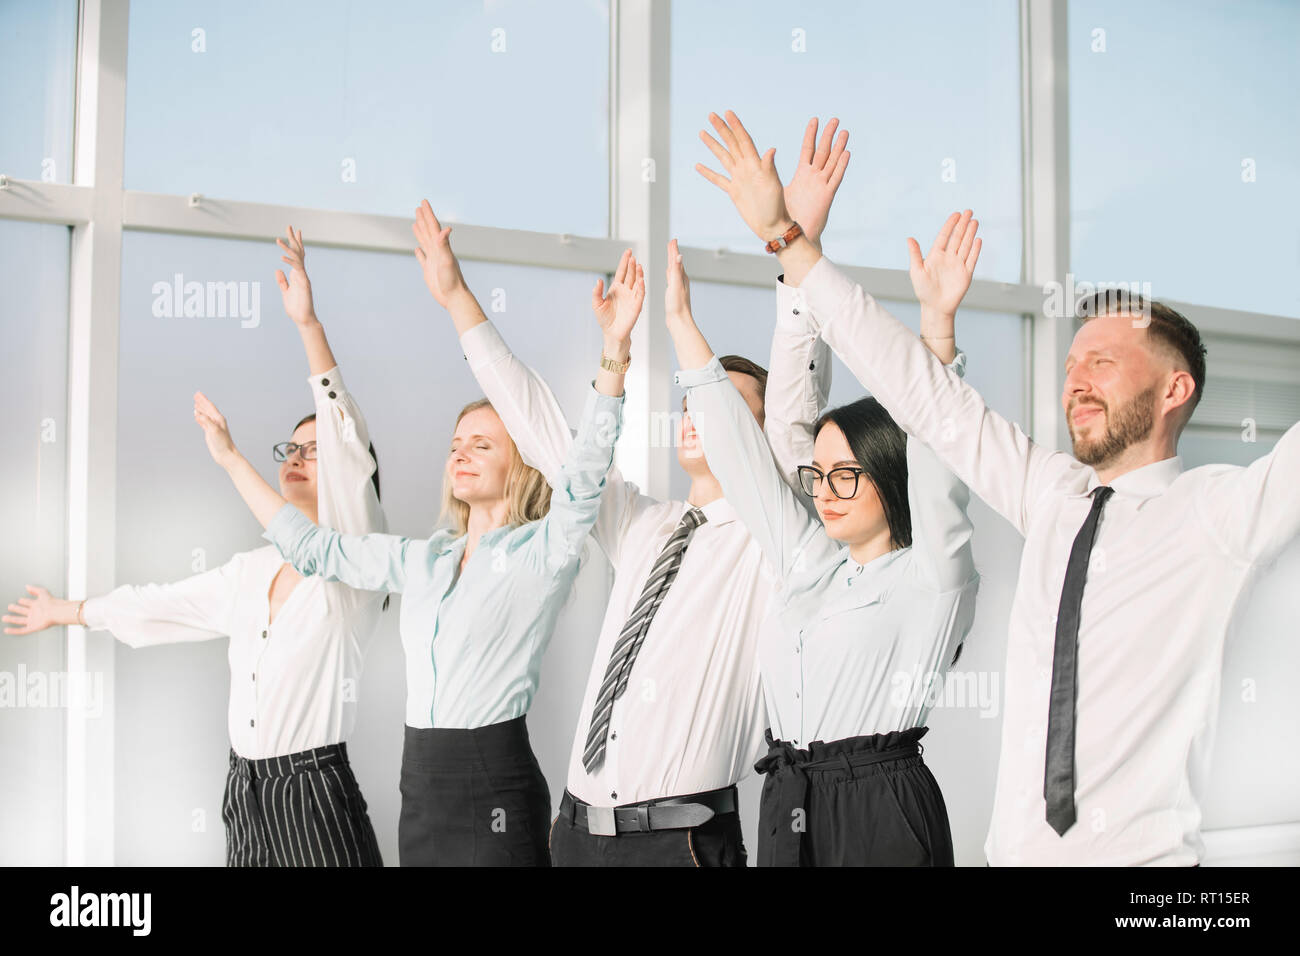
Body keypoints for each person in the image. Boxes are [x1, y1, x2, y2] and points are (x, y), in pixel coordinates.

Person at [698, 109, 1300, 866]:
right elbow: (923, 397)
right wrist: (790, 242)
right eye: (1073, 364)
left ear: (1175, 387)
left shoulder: (1222, 512)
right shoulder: (1051, 494)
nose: (1075, 381)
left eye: (1103, 364)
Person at [413, 118, 850, 867]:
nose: (695, 415)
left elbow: (793, 417)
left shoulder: (766, 539)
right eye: (692, 404)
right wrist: (458, 302)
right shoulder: (644, 523)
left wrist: (791, 240)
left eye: (724, 409)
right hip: (575, 833)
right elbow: (549, 435)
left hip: (676, 843)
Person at [188, 225, 637, 866]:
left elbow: (587, 470)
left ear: (523, 465)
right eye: (457, 443)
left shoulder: (544, 550)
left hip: (494, 782)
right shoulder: (422, 559)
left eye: (483, 444)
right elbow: (315, 549)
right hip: (419, 787)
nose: (462, 454)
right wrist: (232, 460)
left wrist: (614, 350)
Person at [5, 227, 388, 867]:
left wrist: (308, 325)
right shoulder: (253, 570)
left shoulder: (356, 566)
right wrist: (65, 611)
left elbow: (344, 429)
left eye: (312, 449)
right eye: (289, 449)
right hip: (244, 789)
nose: (296, 458)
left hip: (314, 792)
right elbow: (162, 606)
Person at [664, 212, 979, 865]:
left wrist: (939, 332)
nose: (825, 490)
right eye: (819, 473)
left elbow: (938, 452)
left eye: (846, 473)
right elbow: (746, 461)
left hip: (881, 803)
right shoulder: (809, 562)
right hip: (789, 797)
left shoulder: (934, 575)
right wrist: (683, 333)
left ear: (889, 473)